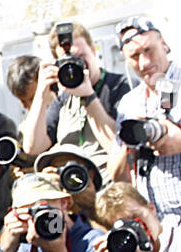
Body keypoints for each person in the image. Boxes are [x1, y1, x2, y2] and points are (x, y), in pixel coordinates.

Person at [113, 16, 181, 239]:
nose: (144, 63)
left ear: (164, 44)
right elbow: (119, 177)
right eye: (134, 56)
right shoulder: (129, 104)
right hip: (163, 229)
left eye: (149, 50)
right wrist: (131, 141)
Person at [22, 21, 130, 173]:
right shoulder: (63, 98)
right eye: (68, 61)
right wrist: (41, 92)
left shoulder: (121, 87)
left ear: (93, 50)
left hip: (106, 183)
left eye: (81, 57)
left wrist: (89, 97)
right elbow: (33, 147)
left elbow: (119, 148)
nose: (76, 66)